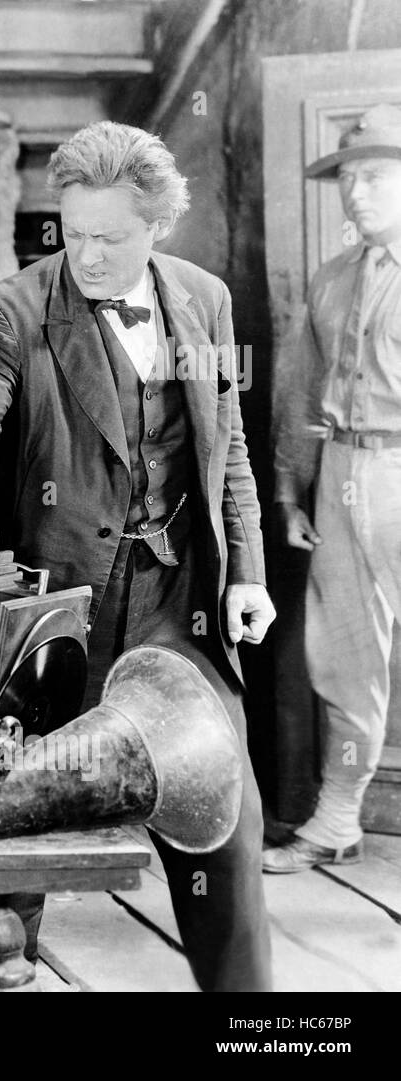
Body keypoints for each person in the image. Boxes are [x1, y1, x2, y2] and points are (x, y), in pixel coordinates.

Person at [0, 121, 277, 992]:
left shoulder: (205, 299)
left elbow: (230, 445)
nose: (87, 255)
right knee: (4, 861)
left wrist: (245, 569)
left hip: (182, 613)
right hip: (51, 627)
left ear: (158, 228)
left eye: (112, 237)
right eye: (73, 231)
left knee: (224, 836)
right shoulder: (12, 311)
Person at [265, 104, 401, 873]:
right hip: (343, 475)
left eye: (377, 175)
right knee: (344, 656)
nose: (357, 193)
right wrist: (290, 489)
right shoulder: (331, 280)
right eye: (348, 177)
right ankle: (338, 818)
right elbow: (299, 392)